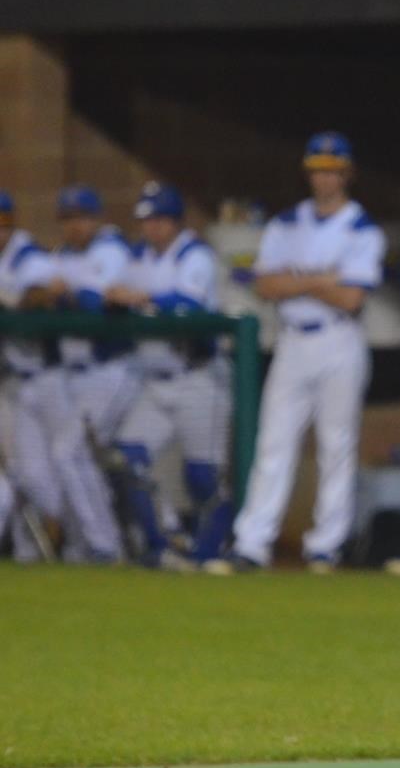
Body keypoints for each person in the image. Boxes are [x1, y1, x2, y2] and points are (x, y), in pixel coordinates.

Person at [212, 132, 387, 572]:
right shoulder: (286, 222)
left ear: (347, 173)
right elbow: (266, 284)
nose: (323, 178)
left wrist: (300, 281)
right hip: (293, 338)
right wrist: (321, 280)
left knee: (336, 445)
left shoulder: (361, 227)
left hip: (339, 338)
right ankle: (253, 542)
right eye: (316, 170)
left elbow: (352, 299)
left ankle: (326, 544)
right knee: (273, 441)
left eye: (331, 170)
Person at [106, 183, 232, 568]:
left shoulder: (195, 254)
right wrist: (121, 298)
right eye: (146, 220)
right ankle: (163, 544)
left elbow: (186, 306)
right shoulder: (136, 256)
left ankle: (209, 552)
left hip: (197, 376)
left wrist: (141, 299)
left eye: (159, 219)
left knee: (203, 477)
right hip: (154, 379)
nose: (152, 227)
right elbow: (110, 294)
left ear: (176, 221)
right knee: (127, 458)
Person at [0, 189, 98, 563]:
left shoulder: (28, 253)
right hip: (14, 381)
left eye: (3, 225)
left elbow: (41, 293)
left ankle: (86, 546)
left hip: (50, 376)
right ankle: (46, 548)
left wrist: (12, 298)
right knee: (32, 476)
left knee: (67, 461)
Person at [45, 185, 138, 561]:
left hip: (109, 369)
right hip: (70, 372)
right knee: (73, 458)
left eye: (82, 217)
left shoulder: (111, 248)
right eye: (68, 219)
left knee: (69, 451)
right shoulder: (62, 254)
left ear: (96, 219)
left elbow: (96, 300)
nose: (75, 226)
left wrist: (63, 293)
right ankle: (91, 544)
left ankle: (105, 544)